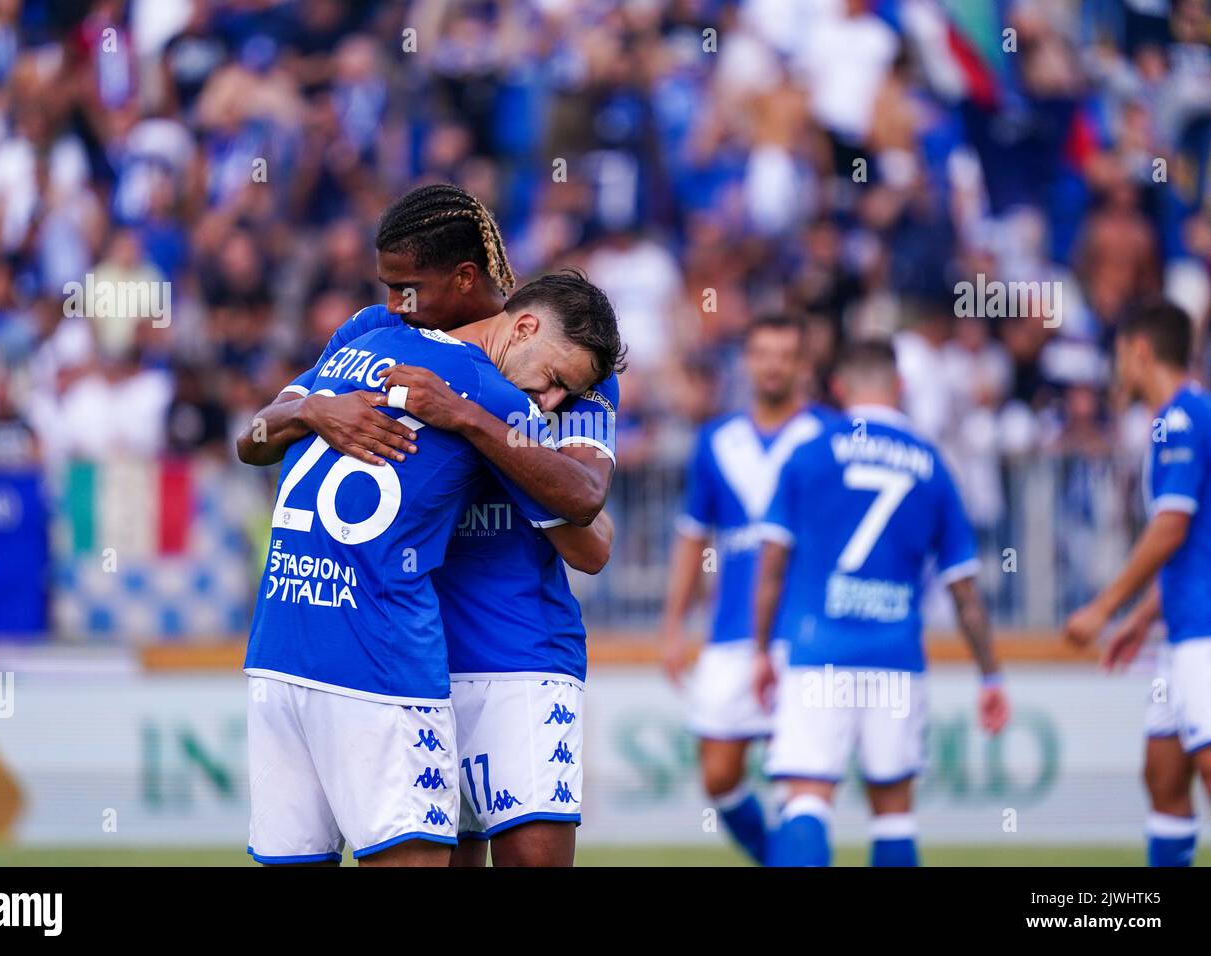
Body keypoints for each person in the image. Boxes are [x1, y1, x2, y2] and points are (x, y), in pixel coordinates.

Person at [239, 184, 625, 866]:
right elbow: (255, 434)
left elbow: (589, 530)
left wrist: (476, 428)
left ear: (464, 278)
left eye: (406, 288)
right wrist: (314, 412)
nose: (395, 301)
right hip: (411, 646)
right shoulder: (372, 333)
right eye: (390, 287)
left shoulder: (571, 373)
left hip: (516, 652)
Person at [752, 341, 1009, 866]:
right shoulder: (932, 464)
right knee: (893, 813)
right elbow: (964, 590)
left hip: (817, 650)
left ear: (840, 389)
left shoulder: (809, 451)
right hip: (896, 658)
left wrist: (760, 650)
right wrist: (990, 676)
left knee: (805, 801)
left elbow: (772, 565)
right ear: (900, 388)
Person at [660, 316, 827, 864]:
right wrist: (672, 628)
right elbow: (692, 539)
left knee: (795, 783)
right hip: (731, 632)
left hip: (803, 634)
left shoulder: (828, 436)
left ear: (802, 364)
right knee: (718, 777)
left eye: (786, 354)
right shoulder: (717, 439)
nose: (774, 364)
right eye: (763, 353)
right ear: (748, 361)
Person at [1064, 298, 1211, 867]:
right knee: (1164, 777)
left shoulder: (1179, 418)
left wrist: (1103, 607)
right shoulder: (1184, 416)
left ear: (1140, 351)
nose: (1117, 368)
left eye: (1120, 355)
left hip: (1203, 630)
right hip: (1180, 630)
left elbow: (1170, 529)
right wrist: (1140, 620)